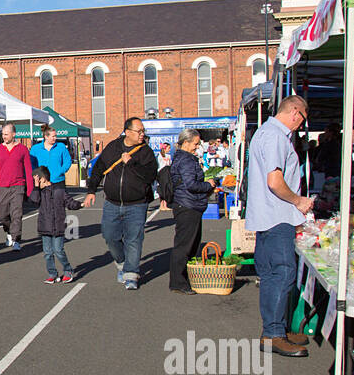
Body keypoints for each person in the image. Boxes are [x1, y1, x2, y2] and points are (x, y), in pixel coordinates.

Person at [246, 95, 313, 358]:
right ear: (295, 112)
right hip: (277, 216)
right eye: (303, 118)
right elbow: (275, 181)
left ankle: (277, 329)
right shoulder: (274, 136)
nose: (301, 124)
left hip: (269, 216)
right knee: (282, 274)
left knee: (273, 274)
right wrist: (298, 201)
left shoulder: (267, 133)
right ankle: (273, 333)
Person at [84, 117, 158, 290]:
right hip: (112, 202)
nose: (142, 134)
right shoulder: (113, 147)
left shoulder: (145, 152)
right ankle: (121, 262)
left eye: (143, 131)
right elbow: (98, 169)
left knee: (134, 239)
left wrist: (131, 163)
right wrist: (91, 191)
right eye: (138, 131)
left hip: (137, 204)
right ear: (127, 132)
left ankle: (131, 274)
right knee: (109, 236)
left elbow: (150, 176)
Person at [168, 128, 218, 295]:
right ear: (186, 142)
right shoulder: (187, 160)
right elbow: (191, 185)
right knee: (185, 245)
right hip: (188, 205)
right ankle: (178, 281)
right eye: (195, 144)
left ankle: (182, 279)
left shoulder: (180, 158)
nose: (197, 147)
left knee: (187, 243)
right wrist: (208, 185)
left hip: (186, 204)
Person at [0, 123, 35, 251]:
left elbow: (28, 170)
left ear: (14, 134)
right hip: (2, 186)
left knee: (16, 214)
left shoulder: (23, 149)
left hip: (18, 186)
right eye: (3, 134)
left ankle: (16, 239)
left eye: (6, 134)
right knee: (1, 213)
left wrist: (30, 189)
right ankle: (8, 231)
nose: (4, 137)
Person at [31, 166, 82, 284]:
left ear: (42, 179)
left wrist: (80, 204)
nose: (35, 182)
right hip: (45, 226)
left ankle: (68, 269)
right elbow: (34, 201)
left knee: (58, 250)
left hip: (58, 226)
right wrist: (36, 187)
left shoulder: (59, 190)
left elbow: (70, 202)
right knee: (47, 253)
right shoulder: (40, 192)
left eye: (36, 180)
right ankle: (52, 274)